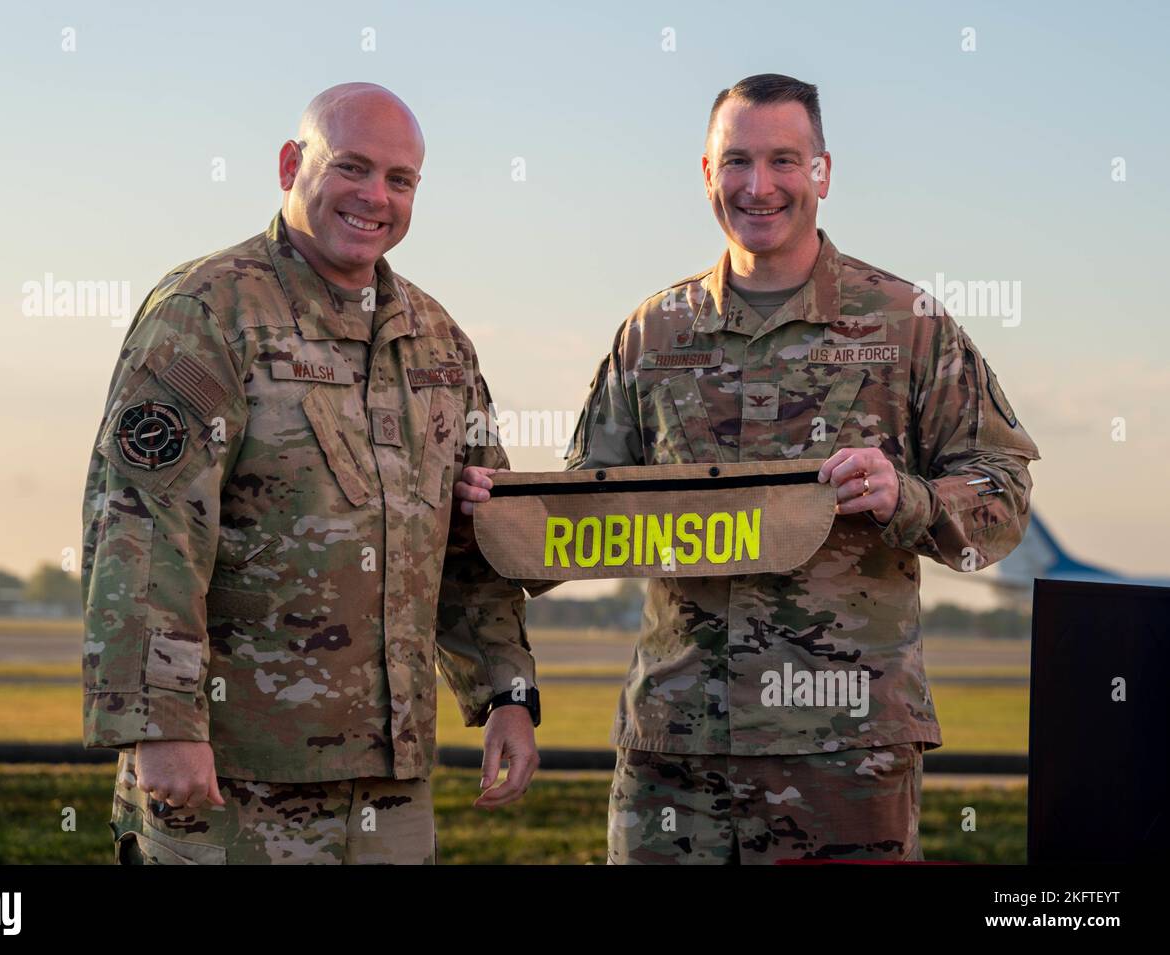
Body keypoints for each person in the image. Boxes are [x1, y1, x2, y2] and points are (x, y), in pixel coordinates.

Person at [455, 74, 1039, 864]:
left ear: (823, 172)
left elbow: (1004, 495)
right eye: (737, 161)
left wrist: (911, 495)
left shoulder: (909, 326)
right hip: (675, 759)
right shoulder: (652, 336)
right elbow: (587, 513)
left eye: (784, 161)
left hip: (845, 756)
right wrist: (504, 510)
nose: (758, 186)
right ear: (706, 173)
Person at [81, 83, 540, 865]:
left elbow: (472, 532)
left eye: (400, 181)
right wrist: (160, 725)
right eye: (352, 168)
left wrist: (506, 690)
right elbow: (144, 526)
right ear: (293, 164)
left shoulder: (438, 341)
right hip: (232, 775)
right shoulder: (207, 312)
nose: (375, 197)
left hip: (390, 778)